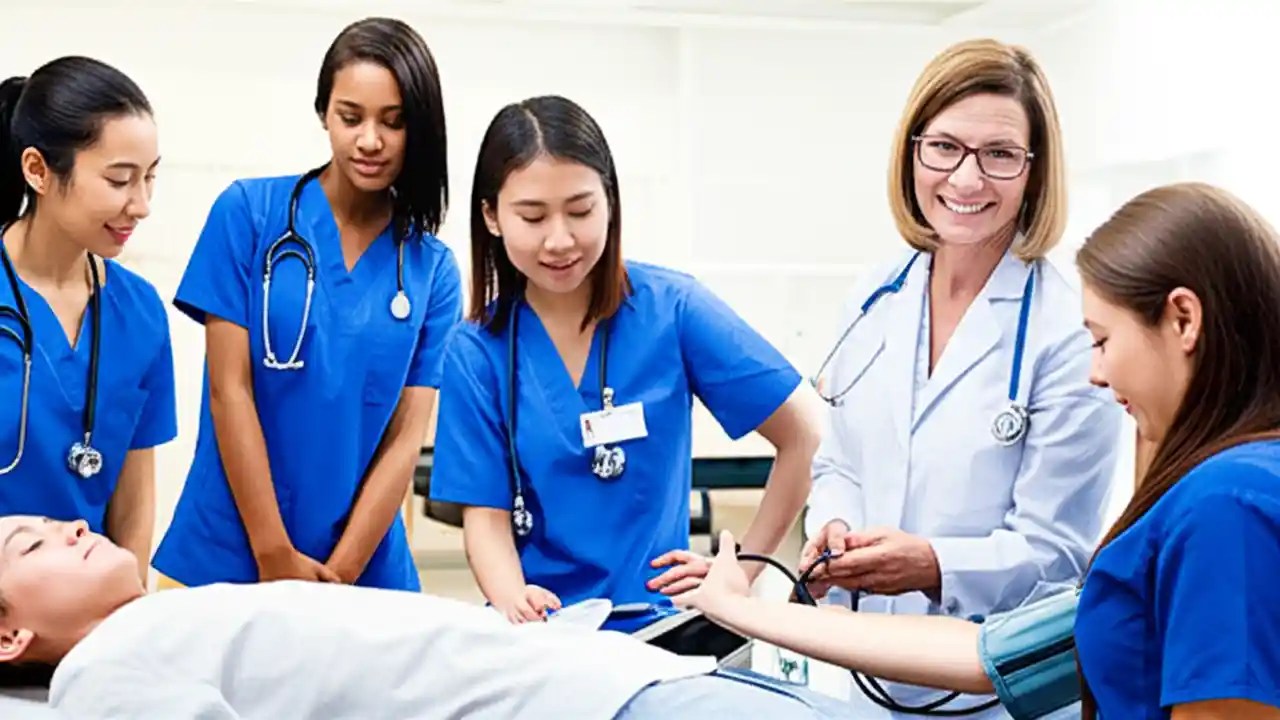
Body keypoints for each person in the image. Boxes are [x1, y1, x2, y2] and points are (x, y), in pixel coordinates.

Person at [680, 182, 1280, 719]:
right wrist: (751, 610)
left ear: (1183, 320)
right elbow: (993, 655)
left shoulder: (1227, 508)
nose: (1094, 374)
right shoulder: (1216, 492)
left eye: (1101, 340)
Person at [801, 38, 1121, 717]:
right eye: (944, 147)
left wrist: (933, 565)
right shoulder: (874, 296)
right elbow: (841, 462)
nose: (968, 180)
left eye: (1000, 154)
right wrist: (834, 524)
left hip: (998, 689)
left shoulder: (1068, 330)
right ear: (912, 151)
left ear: (1035, 172)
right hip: (864, 670)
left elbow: (1055, 552)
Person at [428, 95, 820, 631]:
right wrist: (514, 600)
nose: (560, 239)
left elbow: (805, 435)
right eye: (533, 216)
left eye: (582, 210)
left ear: (610, 203)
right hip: (543, 638)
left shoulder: (673, 310)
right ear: (492, 217)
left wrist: (741, 572)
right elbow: (486, 520)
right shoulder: (475, 352)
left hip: (661, 628)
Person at [151, 17, 460, 591]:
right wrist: (273, 555)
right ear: (323, 113)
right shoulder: (248, 213)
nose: (370, 140)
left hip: (363, 572)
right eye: (351, 117)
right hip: (230, 552)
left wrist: (338, 578)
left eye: (393, 122)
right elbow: (229, 389)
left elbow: (404, 439)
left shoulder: (432, 269)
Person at [0, 515, 859, 719]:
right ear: (9, 637)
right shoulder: (100, 672)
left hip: (592, 678)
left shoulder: (162, 620)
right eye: (31, 547)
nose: (70, 524)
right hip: (585, 703)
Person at [0, 57, 176, 584]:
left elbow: (133, 501)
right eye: (120, 180)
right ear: (38, 171)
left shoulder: (139, 313)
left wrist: (126, 616)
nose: (141, 205)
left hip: (82, 619)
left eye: (149, 178)